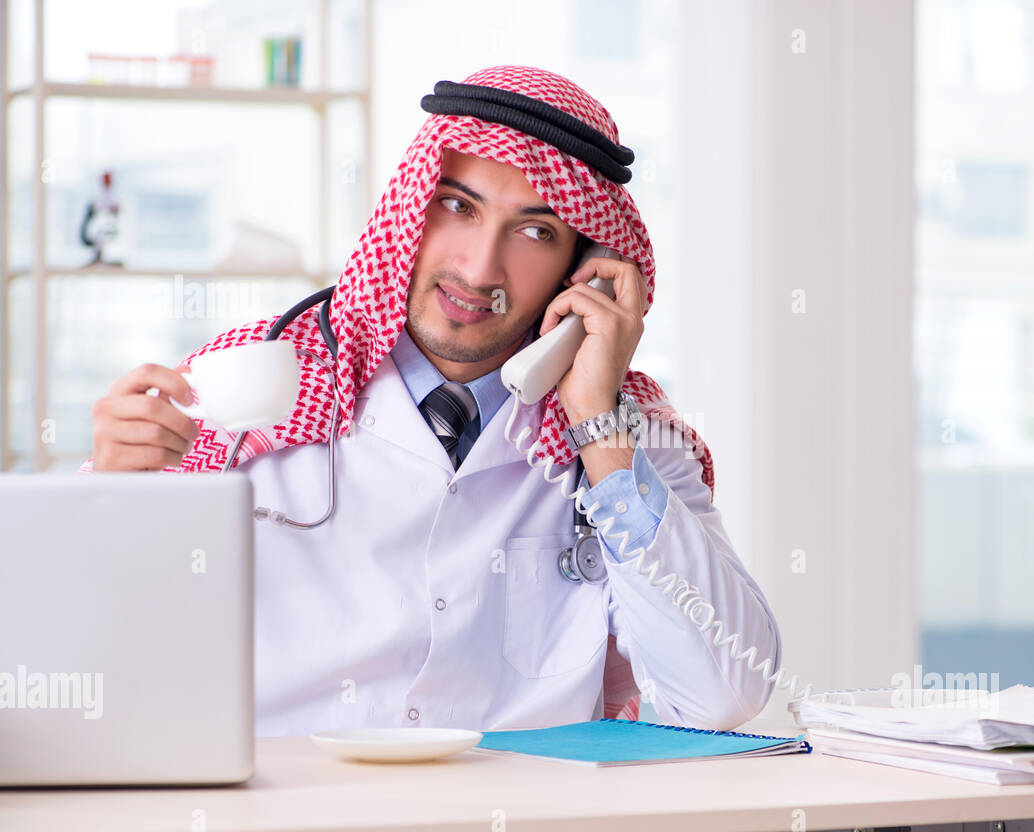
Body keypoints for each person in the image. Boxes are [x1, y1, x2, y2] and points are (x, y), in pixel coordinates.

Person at [83, 65, 782, 736]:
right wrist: (114, 501)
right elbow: (94, 657)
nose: (479, 268)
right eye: (458, 206)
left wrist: (597, 424)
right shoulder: (250, 387)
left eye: (536, 231)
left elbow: (721, 693)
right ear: (410, 209)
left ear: (583, 271)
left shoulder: (624, 433)